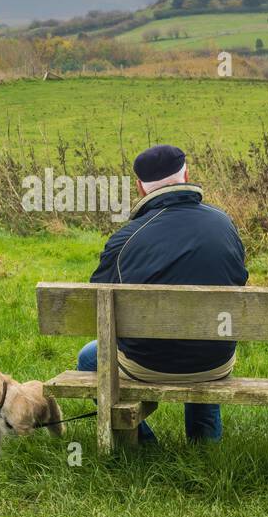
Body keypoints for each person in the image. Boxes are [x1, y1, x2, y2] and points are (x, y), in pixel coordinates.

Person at [77, 144, 248, 442]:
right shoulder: (224, 224)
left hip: (148, 363)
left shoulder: (125, 239)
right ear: (187, 175)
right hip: (214, 360)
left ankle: (143, 443)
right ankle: (204, 444)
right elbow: (239, 282)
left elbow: (96, 303)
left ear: (141, 188)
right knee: (207, 340)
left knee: (88, 358)